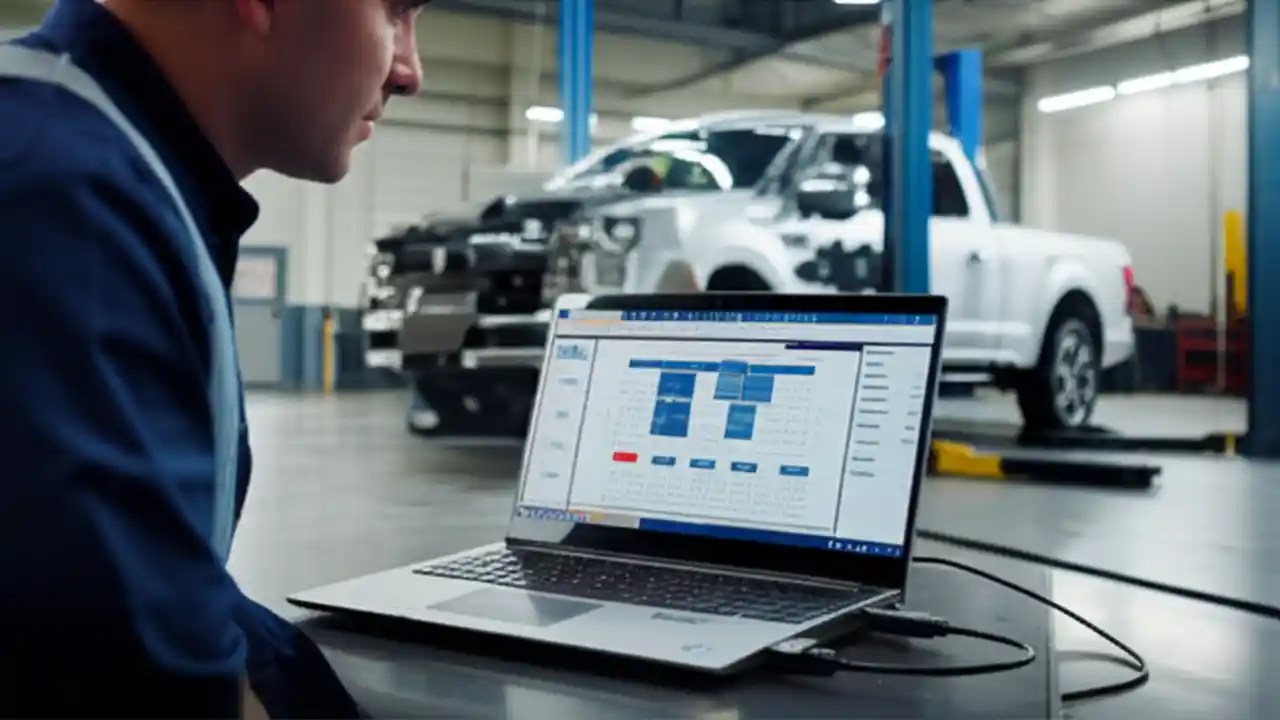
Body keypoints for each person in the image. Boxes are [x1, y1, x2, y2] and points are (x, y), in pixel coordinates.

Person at [0, 0, 426, 716]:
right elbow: (134, 684)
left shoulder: (106, 171)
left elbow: (167, 598)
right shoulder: (61, 203)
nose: (410, 70)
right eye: (395, 10)